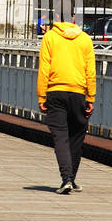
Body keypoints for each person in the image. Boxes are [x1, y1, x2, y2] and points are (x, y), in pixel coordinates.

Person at [37, 20, 96, 194]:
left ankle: (67, 179)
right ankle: (71, 179)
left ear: (56, 19)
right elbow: (90, 71)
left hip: (55, 93)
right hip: (78, 93)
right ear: (74, 20)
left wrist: (42, 95)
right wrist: (90, 96)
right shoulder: (85, 39)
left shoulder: (50, 37)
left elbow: (44, 69)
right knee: (77, 136)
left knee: (61, 138)